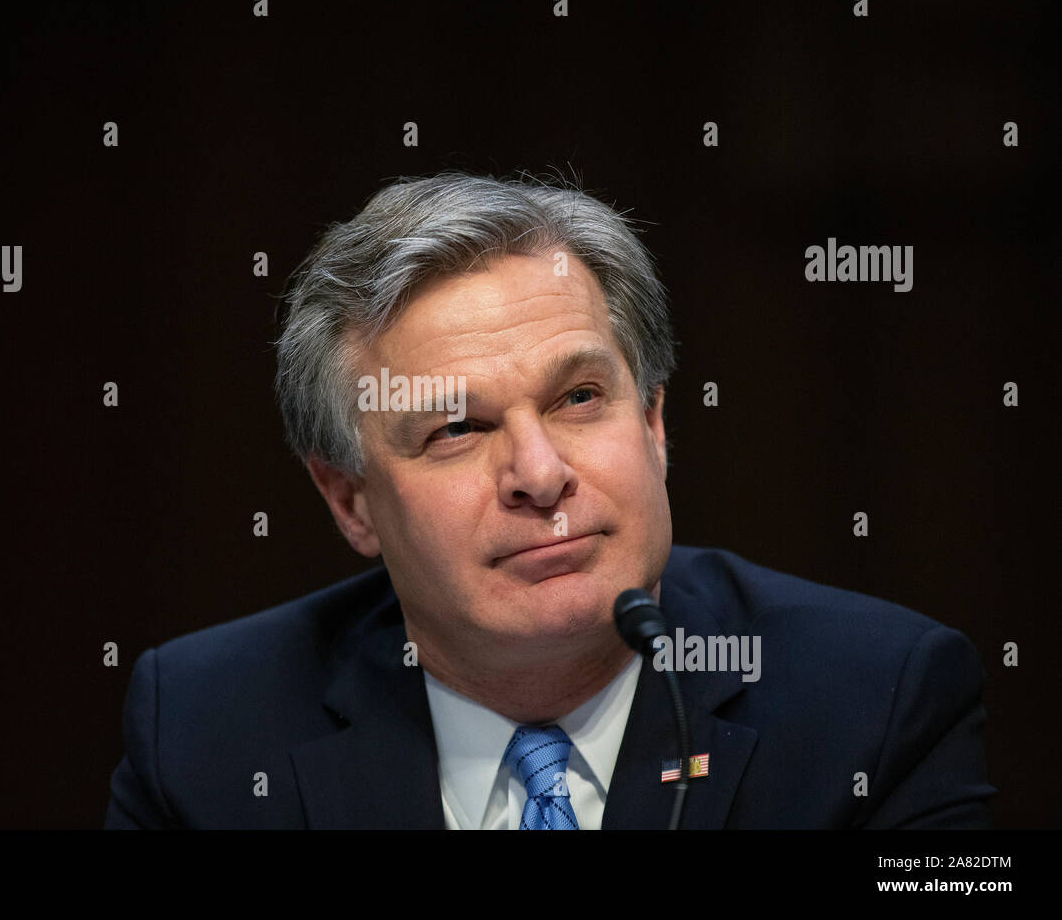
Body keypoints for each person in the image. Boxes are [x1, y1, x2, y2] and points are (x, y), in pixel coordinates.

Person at [104, 170, 994, 829]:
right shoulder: (203, 735)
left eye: (578, 399)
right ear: (351, 502)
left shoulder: (879, 701)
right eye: (455, 429)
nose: (539, 474)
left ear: (653, 423)